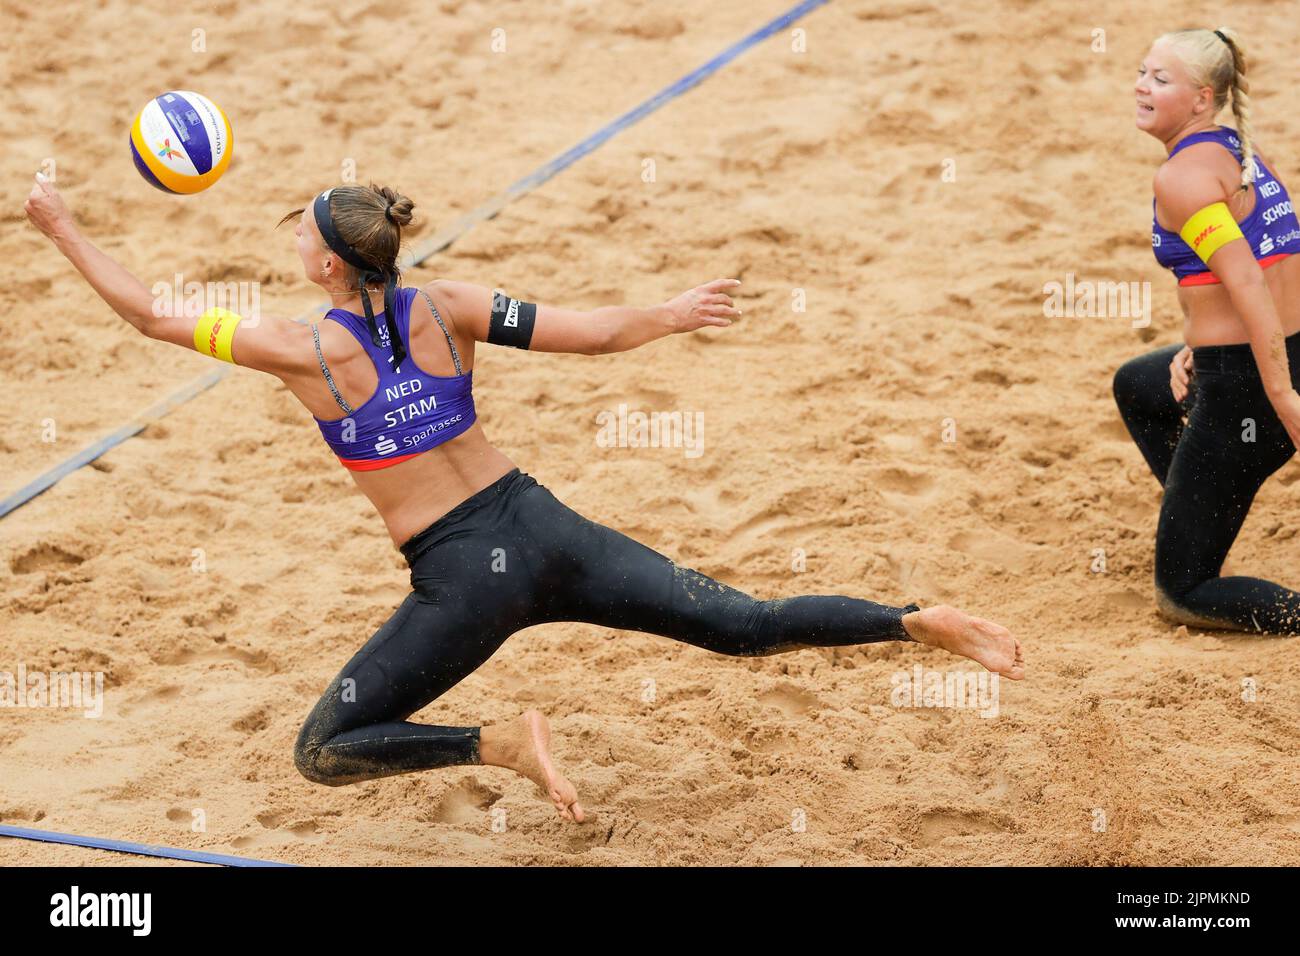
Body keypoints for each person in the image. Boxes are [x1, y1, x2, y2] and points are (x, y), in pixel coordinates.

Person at [24, 177, 1024, 823]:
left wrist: (62, 225)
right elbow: (591, 333)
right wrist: (672, 313)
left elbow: (153, 312)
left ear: (328, 262)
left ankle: (495, 743)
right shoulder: (447, 304)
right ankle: (910, 621)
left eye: (302, 232)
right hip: (543, 523)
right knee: (742, 622)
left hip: (464, 579)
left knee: (325, 751)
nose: (294, 240)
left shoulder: (301, 346)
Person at [1114, 27, 1300, 633]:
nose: (1141, 86)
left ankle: (1202, 533)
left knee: (1184, 592)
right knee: (1141, 383)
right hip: (1275, 350)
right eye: (1142, 71)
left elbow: (1247, 282)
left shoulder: (1182, 179)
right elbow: (1269, 262)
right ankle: (1201, 507)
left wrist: (1282, 396)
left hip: (1249, 383)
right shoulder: (1234, 147)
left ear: (1200, 98)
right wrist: (1196, 342)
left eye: (1160, 79)